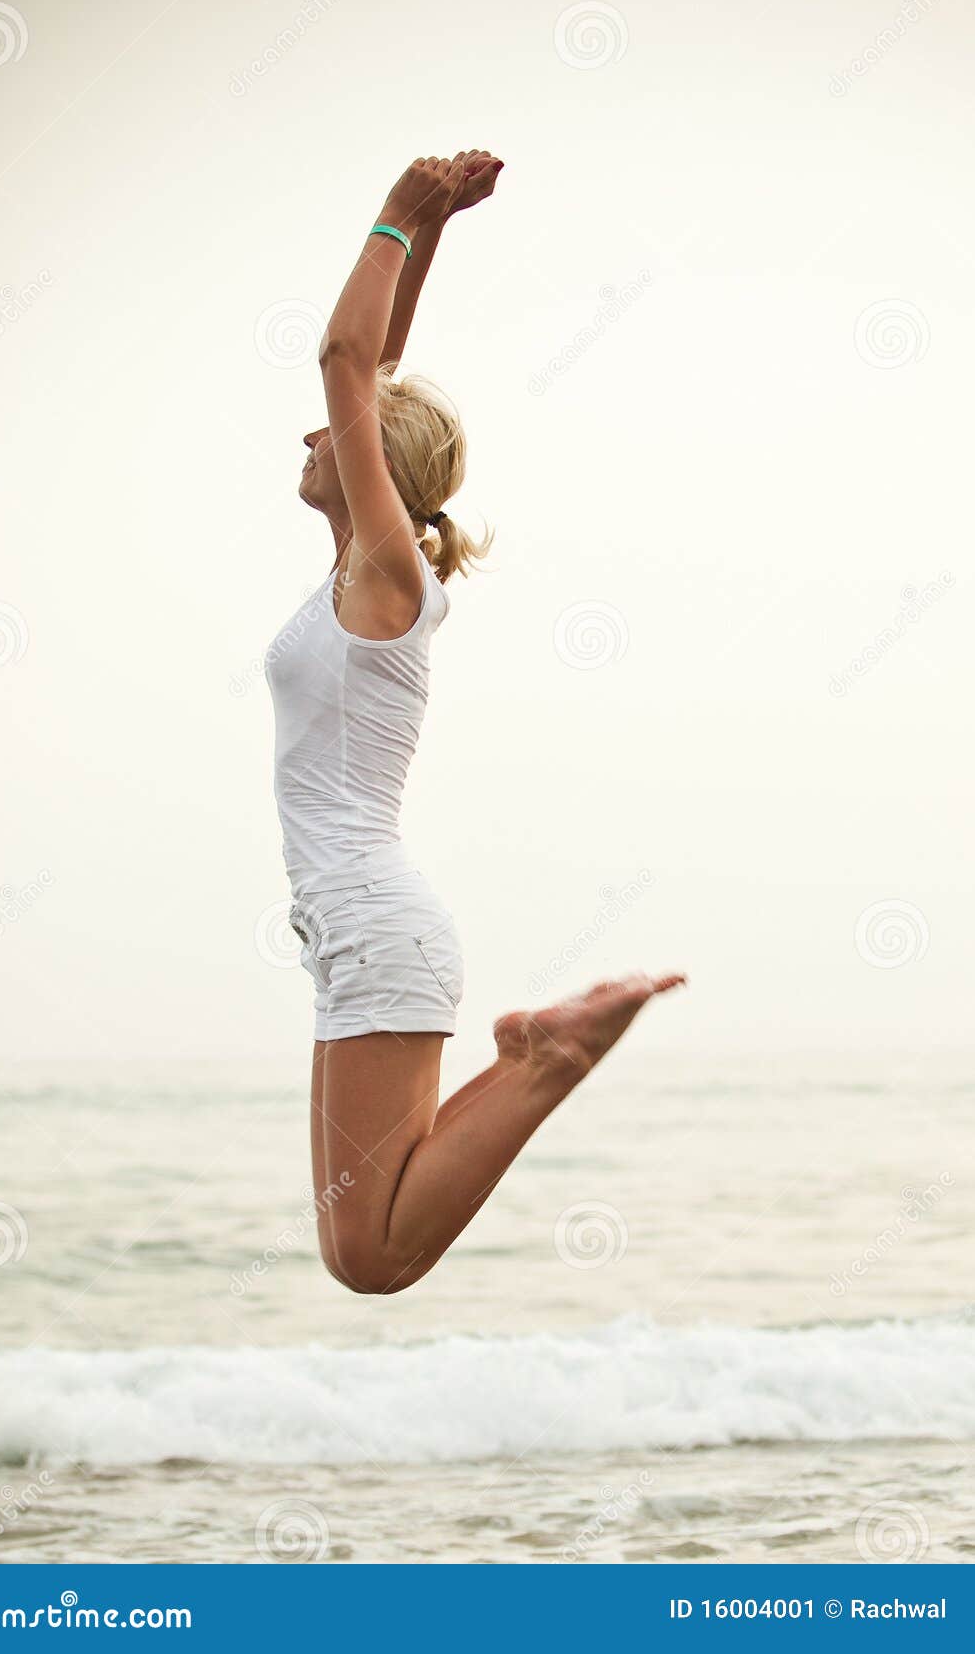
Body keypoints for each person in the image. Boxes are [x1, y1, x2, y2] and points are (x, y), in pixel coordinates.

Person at [265, 153, 685, 1294]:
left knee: (374, 1259)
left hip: (371, 920)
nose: (308, 439)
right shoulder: (366, 577)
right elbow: (376, 364)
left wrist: (396, 213)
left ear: (370, 471)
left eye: (329, 432)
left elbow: (349, 360)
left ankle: (548, 1057)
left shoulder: (387, 576)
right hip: (351, 928)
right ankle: (540, 1053)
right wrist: (432, 228)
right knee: (359, 1250)